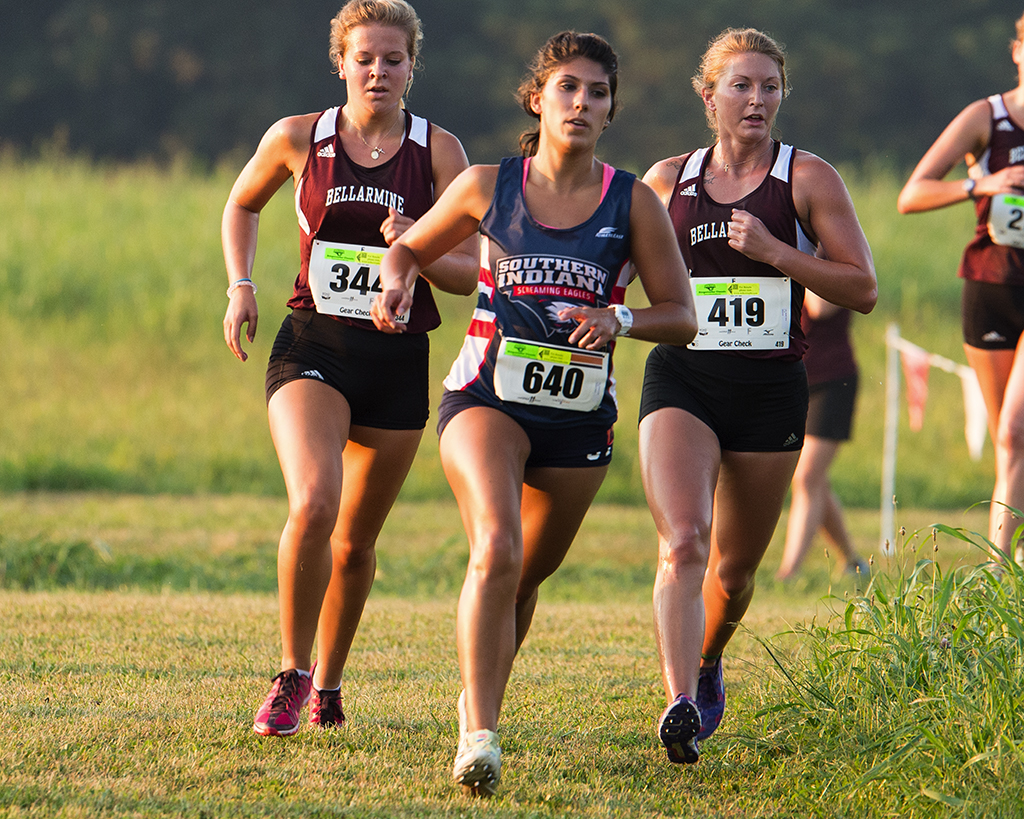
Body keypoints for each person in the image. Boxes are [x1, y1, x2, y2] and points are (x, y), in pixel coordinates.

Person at [372, 31, 697, 796]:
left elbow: (681, 316)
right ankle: (479, 733)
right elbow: (410, 251)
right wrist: (394, 283)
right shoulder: (489, 186)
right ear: (538, 98)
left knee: (525, 576)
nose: (582, 102)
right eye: (568, 88)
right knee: (496, 546)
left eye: (597, 92)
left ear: (612, 109)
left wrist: (623, 322)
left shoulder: (633, 202)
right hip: (484, 395)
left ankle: (477, 689)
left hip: (581, 419)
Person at [221, 0, 478, 737]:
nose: (378, 71)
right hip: (313, 347)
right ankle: (291, 674)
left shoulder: (439, 153)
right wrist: (242, 283)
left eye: (392, 59)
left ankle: (331, 681)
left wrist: (420, 246)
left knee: (357, 540)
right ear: (341, 62)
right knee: (314, 502)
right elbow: (242, 205)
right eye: (364, 58)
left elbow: (469, 274)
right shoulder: (299, 137)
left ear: (411, 67)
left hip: (397, 360)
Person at [639, 27, 877, 765]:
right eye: (740, 85)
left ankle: (708, 658)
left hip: (772, 387)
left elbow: (862, 287)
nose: (757, 99)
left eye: (769, 86)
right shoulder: (666, 179)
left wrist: (777, 252)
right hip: (683, 378)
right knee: (683, 540)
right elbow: (611, 260)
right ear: (708, 96)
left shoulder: (807, 178)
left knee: (734, 573)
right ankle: (679, 698)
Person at [897, 12, 1024, 563]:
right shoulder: (986, 117)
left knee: (1017, 432)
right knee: (1006, 444)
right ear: (1018, 51)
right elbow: (912, 193)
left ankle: (1000, 573)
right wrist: (982, 182)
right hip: (990, 286)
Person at [776, 291, 870, 580]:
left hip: (832, 379)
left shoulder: (833, 253)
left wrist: (786, 255)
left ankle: (789, 573)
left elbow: (819, 307)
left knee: (806, 477)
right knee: (812, 480)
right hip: (790, 376)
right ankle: (853, 560)